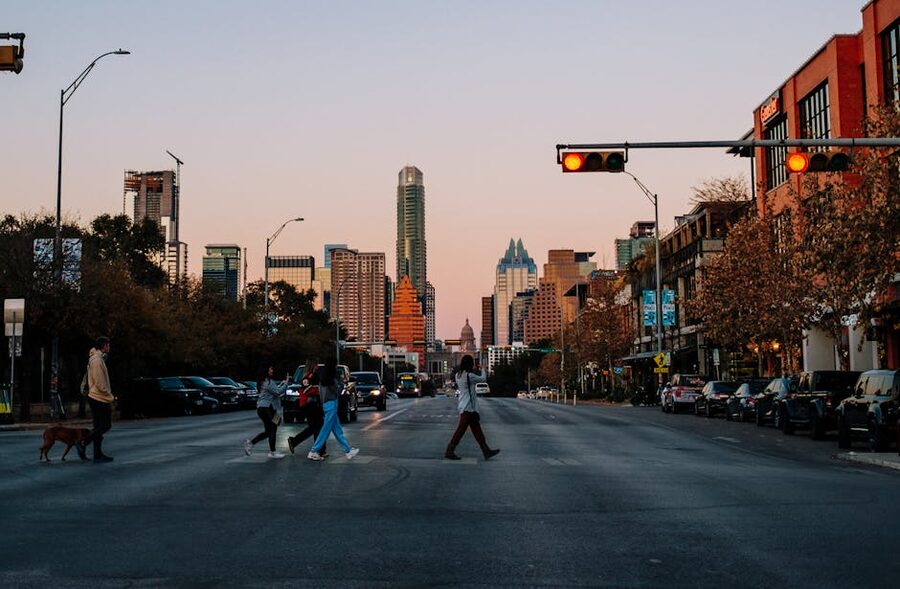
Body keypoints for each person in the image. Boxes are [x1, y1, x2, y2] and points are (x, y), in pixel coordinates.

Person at [444, 354, 500, 461]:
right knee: (460, 430)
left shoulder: (458, 375)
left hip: (463, 405)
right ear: (470, 364)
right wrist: (483, 369)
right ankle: (449, 451)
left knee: (476, 430)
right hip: (468, 408)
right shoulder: (469, 376)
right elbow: (483, 379)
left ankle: (486, 450)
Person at [307, 357, 358, 461]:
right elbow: (337, 392)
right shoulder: (331, 379)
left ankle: (348, 451)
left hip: (327, 405)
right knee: (326, 429)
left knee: (337, 429)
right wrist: (342, 385)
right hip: (332, 405)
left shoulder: (324, 378)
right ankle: (313, 451)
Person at [79, 336, 114, 463]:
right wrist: (109, 395)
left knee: (98, 427)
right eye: (108, 345)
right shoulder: (97, 361)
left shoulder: (96, 359)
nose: (109, 347)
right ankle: (83, 443)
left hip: (95, 397)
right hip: (99, 398)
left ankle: (97, 454)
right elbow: (100, 383)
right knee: (105, 425)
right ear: (104, 346)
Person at [244, 366, 290, 459]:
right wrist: (286, 384)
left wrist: (282, 384)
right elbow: (278, 392)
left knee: (269, 430)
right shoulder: (268, 382)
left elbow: (274, 390)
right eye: (270, 369)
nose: (272, 371)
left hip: (266, 408)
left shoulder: (265, 381)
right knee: (273, 429)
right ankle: (272, 452)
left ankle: (251, 443)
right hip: (267, 408)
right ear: (266, 371)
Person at [287, 359, 326, 456]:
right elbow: (309, 390)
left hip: (309, 405)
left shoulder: (307, 376)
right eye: (316, 365)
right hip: (312, 405)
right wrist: (317, 390)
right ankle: (318, 450)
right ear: (313, 366)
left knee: (314, 427)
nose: (318, 367)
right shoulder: (312, 376)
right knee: (318, 427)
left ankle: (318, 449)